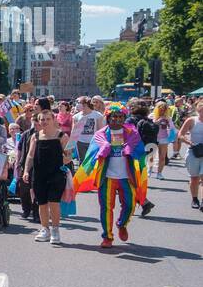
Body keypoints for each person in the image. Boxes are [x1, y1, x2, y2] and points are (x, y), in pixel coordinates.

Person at [74, 104, 147, 248]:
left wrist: (129, 148)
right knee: (106, 208)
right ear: (108, 118)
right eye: (114, 116)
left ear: (124, 118)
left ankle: (122, 224)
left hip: (127, 177)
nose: (117, 119)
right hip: (107, 177)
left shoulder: (132, 133)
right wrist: (103, 148)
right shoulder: (100, 134)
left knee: (131, 205)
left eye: (120, 117)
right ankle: (107, 236)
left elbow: (140, 152)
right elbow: (92, 154)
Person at [22, 105, 70, 244]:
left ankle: (55, 229)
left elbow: (69, 156)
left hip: (56, 174)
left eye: (47, 119)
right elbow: (30, 156)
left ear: (53, 119)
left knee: (54, 202)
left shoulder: (62, 136)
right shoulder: (35, 137)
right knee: (41, 203)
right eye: (42, 120)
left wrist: (67, 157)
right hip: (39, 174)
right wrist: (26, 171)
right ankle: (45, 229)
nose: (44, 122)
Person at [126, 99, 157, 216]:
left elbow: (126, 136)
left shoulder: (130, 120)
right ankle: (143, 202)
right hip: (144, 152)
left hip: (132, 153)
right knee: (136, 179)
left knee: (129, 179)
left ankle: (140, 203)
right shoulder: (147, 120)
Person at [174, 98, 203, 210]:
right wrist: (189, 142)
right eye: (201, 111)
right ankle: (195, 199)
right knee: (194, 178)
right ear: (198, 110)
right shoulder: (192, 120)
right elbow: (180, 135)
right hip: (194, 151)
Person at [153, 101, 173, 178]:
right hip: (153, 138)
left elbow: (172, 129)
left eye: (164, 109)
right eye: (160, 109)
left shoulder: (168, 118)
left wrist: (168, 123)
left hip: (164, 138)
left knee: (162, 157)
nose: (162, 111)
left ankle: (159, 173)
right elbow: (149, 126)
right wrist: (158, 121)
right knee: (151, 156)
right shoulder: (152, 116)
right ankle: (149, 169)